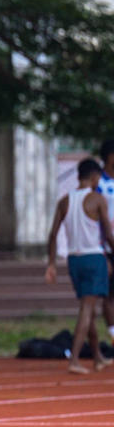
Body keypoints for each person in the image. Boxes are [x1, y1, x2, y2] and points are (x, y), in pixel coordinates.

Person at [46, 157, 114, 374]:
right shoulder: (97, 199)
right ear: (95, 177)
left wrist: (51, 263)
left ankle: (97, 357)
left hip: (74, 259)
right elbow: (108, 233)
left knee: (88, 309)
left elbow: (53, 235)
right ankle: (74, 359)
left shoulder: (64, 201)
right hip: (93, 257)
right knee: (87, 308)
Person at [96, 139, 114, 342]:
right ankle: (112, 334)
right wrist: (101, 250)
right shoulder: (98, 183)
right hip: (106, 247)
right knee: (109, 294)